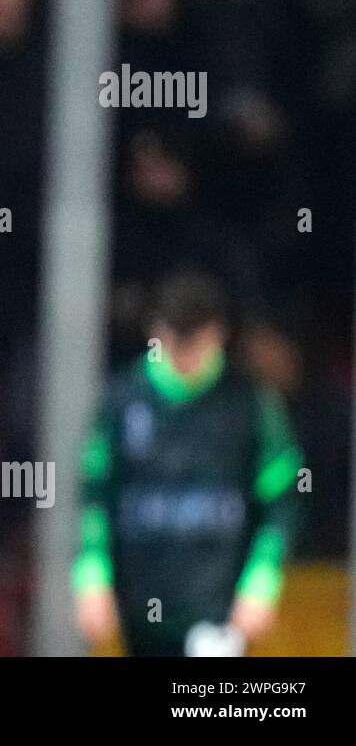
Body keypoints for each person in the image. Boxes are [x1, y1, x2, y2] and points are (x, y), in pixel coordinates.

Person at [73, 269, 303, 656]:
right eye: (171, 342)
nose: (182, 358)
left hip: (216, 612)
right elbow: (94, 495)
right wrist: (92, 578)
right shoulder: (123, 401)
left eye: (192, 344)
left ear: (217, 335)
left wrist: (261, 586)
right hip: (139, 607)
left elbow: (283, 499)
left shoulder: (249, 405)